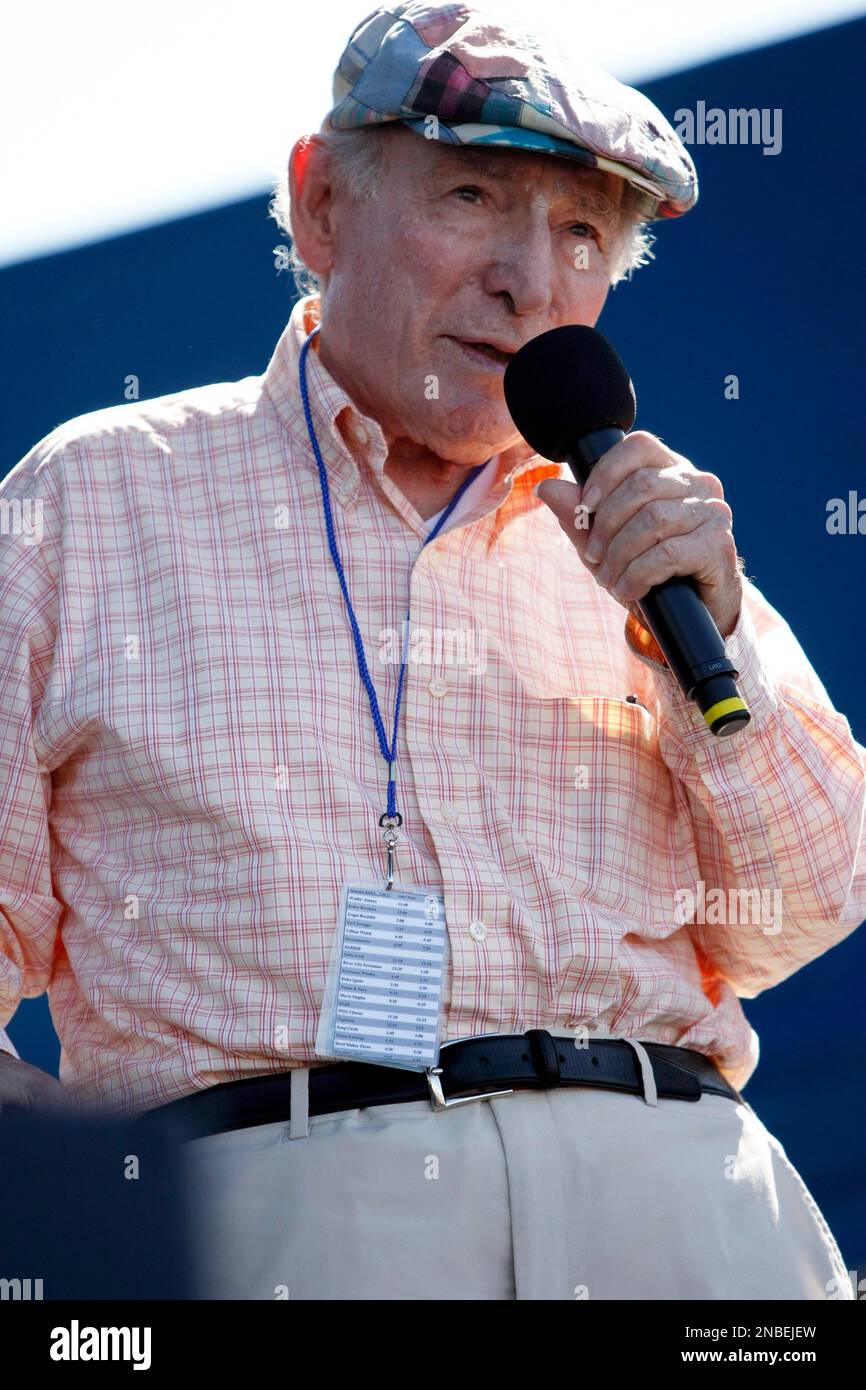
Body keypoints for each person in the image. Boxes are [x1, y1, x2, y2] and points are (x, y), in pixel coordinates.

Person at [1, 1, 863, 1300]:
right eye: (471, 194)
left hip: (688, 1213)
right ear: (320, 205)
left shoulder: (644, 523)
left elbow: (806, 909)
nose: (530, 278)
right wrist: (94, 1234)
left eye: (581, 232)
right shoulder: (87, 501)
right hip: (279, 1221)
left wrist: (716, 624)